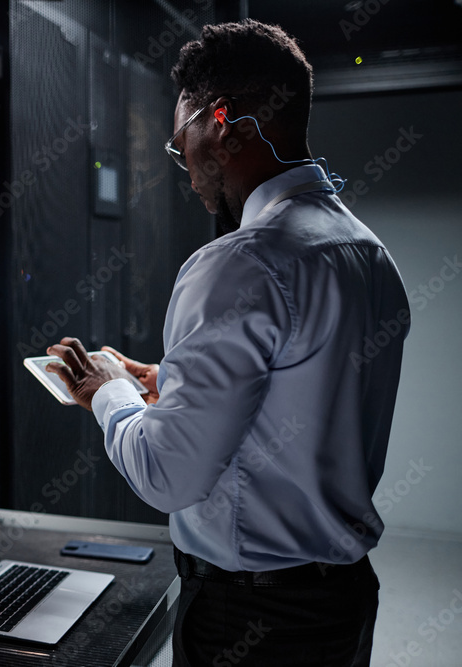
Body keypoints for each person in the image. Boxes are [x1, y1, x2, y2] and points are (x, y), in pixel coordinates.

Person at [46, 19, 409, 667]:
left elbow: (168, 474)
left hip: (254, 621)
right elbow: (298, 389)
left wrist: (111, 393)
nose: (184, 165)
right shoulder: (369, 253)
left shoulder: (242, 261)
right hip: (340, 604)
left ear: (220, 121)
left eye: (178, 139)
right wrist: (166, 379)